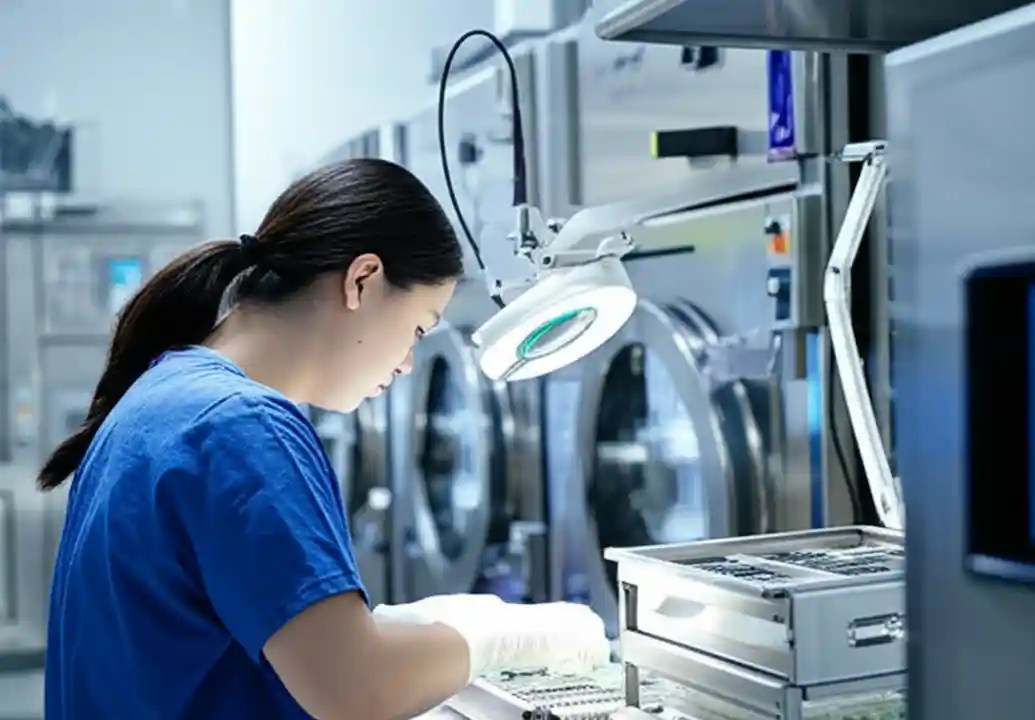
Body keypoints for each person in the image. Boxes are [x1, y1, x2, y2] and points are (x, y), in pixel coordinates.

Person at [39, 158, 608, 720]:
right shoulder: (242, 427)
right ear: (362, 281)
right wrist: (498, 636)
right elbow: (357, 692)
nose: (409, 363)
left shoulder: (166, 395)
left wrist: (405, 633)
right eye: (417, 328)